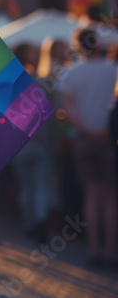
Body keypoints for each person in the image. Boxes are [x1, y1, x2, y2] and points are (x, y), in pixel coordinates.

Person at [59, 28, 118, 267]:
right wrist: (103, 131)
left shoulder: (70, 74)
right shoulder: (112, 70)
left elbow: (68, 111)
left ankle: (94, 249)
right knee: (111, 197)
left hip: (84, 139)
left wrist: (87, 130)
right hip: (110, 138)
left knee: (91, 196)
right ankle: (111, 252)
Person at [11, 43, 59, 243]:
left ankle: (30, 224)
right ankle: (40, 222)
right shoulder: (43, 82)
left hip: (19, 144)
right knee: (40, 185)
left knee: (26, 186)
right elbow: (54, 114)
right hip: (42, 142)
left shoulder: (11, 84)